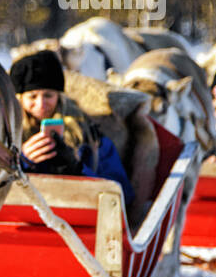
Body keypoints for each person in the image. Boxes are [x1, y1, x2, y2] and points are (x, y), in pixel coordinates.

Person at [10, 49, 135, 206]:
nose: (41, 104)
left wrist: (76, 168)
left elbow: (121, 194)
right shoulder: (7, 134)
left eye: (48, 95)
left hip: (79, 218)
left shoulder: (88, 136)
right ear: (19, 99)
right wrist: (21, 162)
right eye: (32, 96)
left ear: (59, 96)